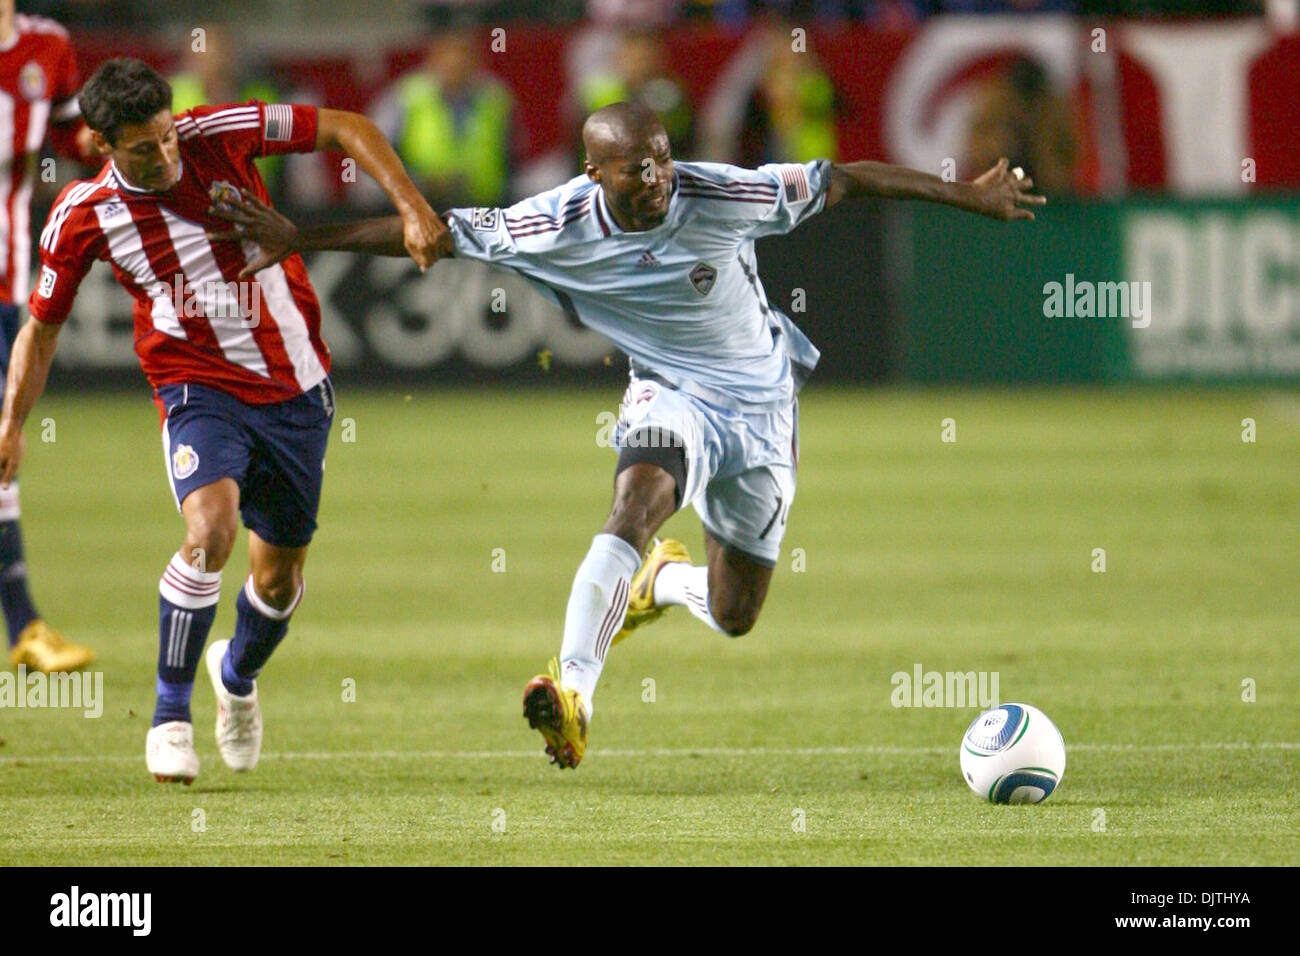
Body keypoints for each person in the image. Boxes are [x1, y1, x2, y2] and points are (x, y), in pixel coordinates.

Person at [205, 101, 1042, 770]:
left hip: (762, 407)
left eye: (664, 157)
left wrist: (968, 195)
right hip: (667, 395)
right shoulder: (554, 224)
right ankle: (575, 699)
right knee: (633, 507)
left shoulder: (725, 193)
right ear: (593, 172)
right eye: (637, 167)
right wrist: (298, 238)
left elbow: (845, 181)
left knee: (733, 614)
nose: (658, 176)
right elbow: (431, 235)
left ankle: (659, 587)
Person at [0, 57, 449, 783]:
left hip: (296, 384)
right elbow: (42, 329)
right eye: (144, 148)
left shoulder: (222, 131)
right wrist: (13, 423)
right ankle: (169, 717)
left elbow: (346, 125)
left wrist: (410, 204)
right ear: (103, 144)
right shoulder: (83, 216)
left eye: (168, 136)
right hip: (194, 387)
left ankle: (235, 676)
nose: (167, 154)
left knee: (276, 584)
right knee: (209, 529)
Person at [0, 0, 97, 673]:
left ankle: (25, 625)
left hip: (6, 286)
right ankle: (24, 624)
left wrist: (131, 133)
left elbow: (75, 139)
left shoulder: (48, 49)